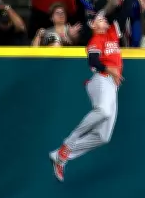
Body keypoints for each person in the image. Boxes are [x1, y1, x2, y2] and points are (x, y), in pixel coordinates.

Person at [49, 13, 123, 182]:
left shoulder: (111, 35)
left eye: (105, 19)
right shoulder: (95, 40)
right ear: (92, 25)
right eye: (99, 19)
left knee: (104, 137)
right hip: (101, 79)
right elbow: (94, 60)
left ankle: (61, 156)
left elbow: (122, 9)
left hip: (113, 86)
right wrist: (109, 68)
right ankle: (68, 143)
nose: (104, 20)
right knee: (103, 111)